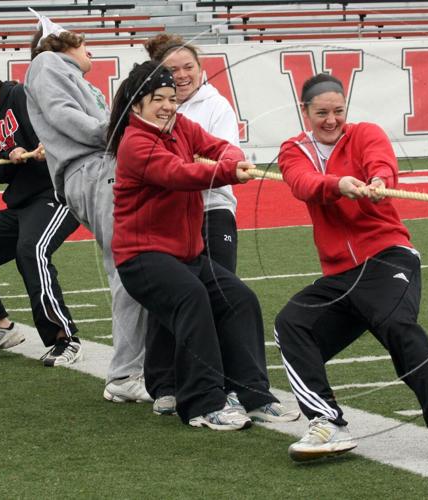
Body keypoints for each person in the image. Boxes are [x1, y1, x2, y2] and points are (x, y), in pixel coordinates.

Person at [275, 73, 428, 464]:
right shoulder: (293, 149)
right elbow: (302, 183)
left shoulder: (365, 132)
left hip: (387, 257)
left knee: (397, 326)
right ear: (305, 112)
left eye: (337, 111)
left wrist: (380, 179)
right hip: (340, 276)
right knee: (292, 323)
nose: (331, 120)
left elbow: (380, 161)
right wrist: (338, 185)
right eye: (321, 113)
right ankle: (326, 421)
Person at [109, 60, 298, 430]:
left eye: (171, 98)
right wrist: (227, 170)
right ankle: (203, 402)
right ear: (136, 106)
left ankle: (253, 395)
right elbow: (179, 175)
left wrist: (231, 159)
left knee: (239, 298)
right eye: (157, 99)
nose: (167, 105)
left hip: (186, 255)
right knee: (192, 298)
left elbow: (220, 147)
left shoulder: (181, 126)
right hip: (142, 258)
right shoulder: (134, 143)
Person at [24, 13, 150, 397]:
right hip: (95, 171)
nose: (88, 48)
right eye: (81, 42)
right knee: (129, 267)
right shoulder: (46, 63)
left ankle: (139, 369)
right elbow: (64, 115)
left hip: (97, 170)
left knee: (140, 263)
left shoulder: (68, 75)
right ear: (61, 44)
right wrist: (116, 133)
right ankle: (126, 376)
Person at [0, 66, 81, 366]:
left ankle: (65, 337)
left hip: (55, 196)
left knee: (31, 250)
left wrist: (39, 146)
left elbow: (55, 122)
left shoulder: (21, 95)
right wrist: (13, 155)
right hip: (20, 205)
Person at [145, 33, 243, 416]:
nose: (183, 75)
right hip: (167, 213)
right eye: (173, 70)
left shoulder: (217, 107)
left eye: (189, 67)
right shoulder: (149, 107)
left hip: (210, 210)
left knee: (220, 293)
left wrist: (185, 166)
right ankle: (164, 383)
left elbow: (226, 156)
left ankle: (223, 383)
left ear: (201, 69)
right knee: (167, 296)